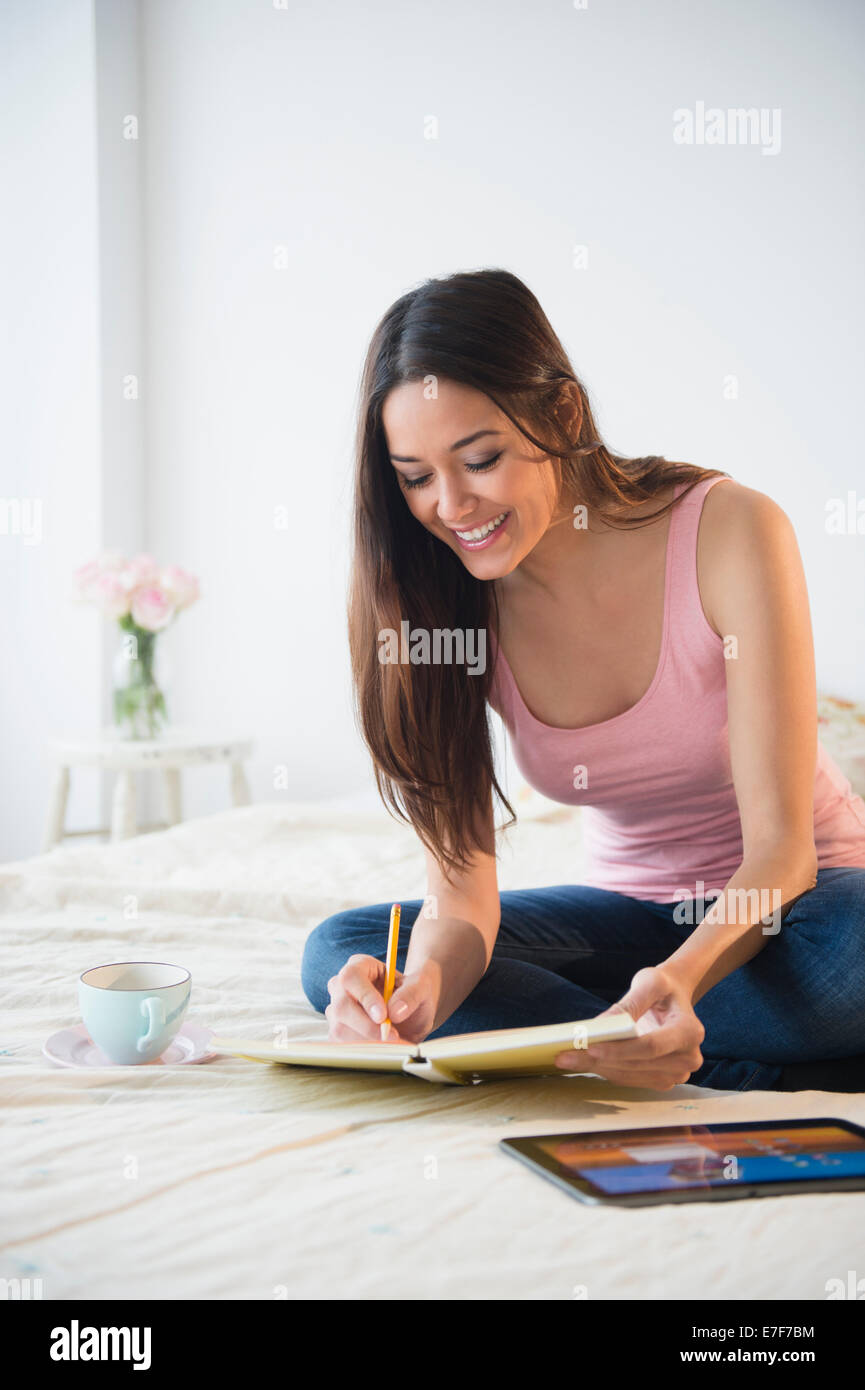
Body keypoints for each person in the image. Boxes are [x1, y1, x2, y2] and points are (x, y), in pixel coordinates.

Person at [302, 268, 865, 1093]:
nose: (451, 505)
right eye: (416, 477)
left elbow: (781, 856)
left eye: (480, 459)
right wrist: (420, 992)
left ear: (560, 412)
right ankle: (679, 1052)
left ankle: (627, 1037)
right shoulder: (441, 604)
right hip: (625, 925)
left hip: (798, 915)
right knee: (342, 951)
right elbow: (460, 904)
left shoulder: (729, 530)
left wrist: (679, 981)